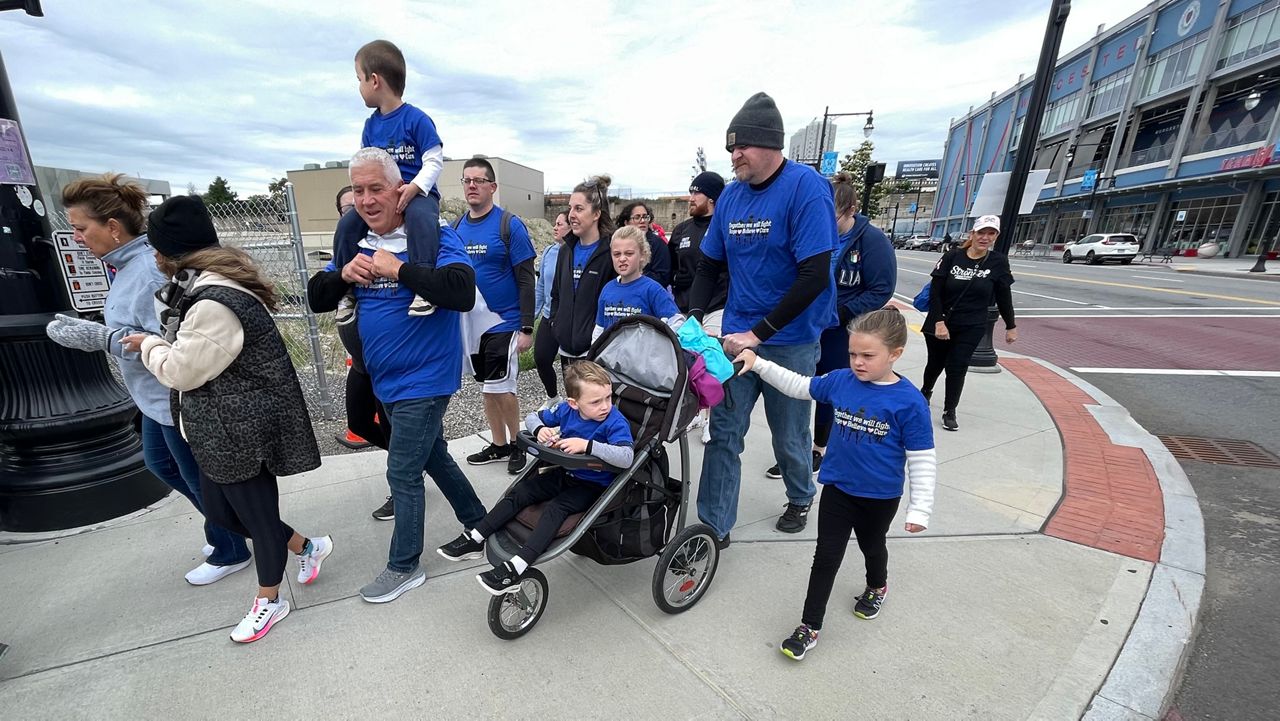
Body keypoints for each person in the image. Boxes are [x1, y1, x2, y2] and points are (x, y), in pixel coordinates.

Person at [121, 196, 332, 644]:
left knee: (256, 518)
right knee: (225, 514)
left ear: (169, 252)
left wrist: (147, 346)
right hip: (218, 427)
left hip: (241, 429)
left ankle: (270, 600)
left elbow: (181, 369)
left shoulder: (214, 300)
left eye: (155, 248)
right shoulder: (196, 287)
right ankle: (308, 547)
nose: (151, 256)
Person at [46, 176, 252, 586]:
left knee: (199, 479)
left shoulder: (145, 269)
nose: (77, 237)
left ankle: (237, 544)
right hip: (155, 399)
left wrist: (103, 338)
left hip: (173, 396)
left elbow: (172, 339)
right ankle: (230, 531)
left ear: (112, 227)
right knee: (164, 466)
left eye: (81, 228)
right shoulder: (129, 266)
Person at [309, 148, 486, 604]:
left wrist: (400, 270)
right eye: (359, 191)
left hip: (426, 379)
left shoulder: (432, 235)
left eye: (376, 189)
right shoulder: (359, 241)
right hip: (384, 378)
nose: (367, 200)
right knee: (434, 457)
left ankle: (404, 565)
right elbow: (317, 296)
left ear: (399, 190)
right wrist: (344, 275)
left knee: (402, 471)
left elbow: (462, 292)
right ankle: (481, 522)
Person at [735, 308, 936, 661]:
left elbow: (922, 458)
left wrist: (920, 507)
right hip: (838, 490)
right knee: (825, 557)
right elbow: (799, 386)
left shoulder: (909, 402)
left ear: (896, 353)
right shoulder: (841, 381)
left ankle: (877, 584)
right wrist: (760, 364)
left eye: (868, 356)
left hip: (880, 497)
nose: (858, 362)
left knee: (872, 547)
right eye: (853, 354)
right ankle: (809, 626)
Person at [687, 91, 836, 540]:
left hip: (790, 339)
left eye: (741, 147)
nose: (734, 155)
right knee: (724, 431)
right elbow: (709, 263)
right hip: (735, 338)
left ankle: (800, 495)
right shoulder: (730, 198)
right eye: (730, 148)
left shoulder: (806, 188)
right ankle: (714, 527)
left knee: (788, 433)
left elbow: (814, 274)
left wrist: (761, 332)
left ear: (771, 144)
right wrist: (694, 316)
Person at [436, 360, 633, 593]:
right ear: (573, 402)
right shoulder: (566, 410)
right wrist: (541, 430)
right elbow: (532, 418)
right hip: (566, 473)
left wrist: (588, 445)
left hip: (593, 485)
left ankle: (518, 565)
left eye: (608, 398)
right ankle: (475, 537)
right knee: (522, 491)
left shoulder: (614, 421)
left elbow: (626, 457)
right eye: (596, 401)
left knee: (556, 509)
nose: (605, 406)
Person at [763, 172, 896, 480]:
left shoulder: (871, 240)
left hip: (842, 329)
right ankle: (791, 453)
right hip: (804, 325)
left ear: (850, 210)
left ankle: (819, 448)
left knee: (828, 386)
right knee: (796, 387)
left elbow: (881, 288)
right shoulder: (810, 231)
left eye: (831, 215)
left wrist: (841, 311)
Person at [332, 39, 446, 325]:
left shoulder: (416, 119)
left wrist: (416, 187)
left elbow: (434, 159)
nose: (358, 87)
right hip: (384, 196)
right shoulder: (370, 125)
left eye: (358, 79)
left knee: (422, 219)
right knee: (347, 224)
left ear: (374, 81)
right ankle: (346, 289)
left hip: (416, 192)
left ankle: (424, 287)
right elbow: (365, 163)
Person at [315, 186, 396, 521]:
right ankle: (415, 459)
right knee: (359, 423)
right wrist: (340, 276)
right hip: (361, 363)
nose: (354, 213)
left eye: (358, 207)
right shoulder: (343, 257)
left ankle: (404, 478)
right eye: (346, 209)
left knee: (393, 428)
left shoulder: (387, 247)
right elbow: (317, 296)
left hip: (388, 364)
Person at [454, 157, 537, 476]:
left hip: (505, 322)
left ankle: (519, 444)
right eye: (466, 180)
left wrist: (527, 327)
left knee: (503, 387)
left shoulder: (509, 224)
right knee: (487, 387)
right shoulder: (459, 226)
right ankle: (500, 444)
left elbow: (527, 278)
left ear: (492, 186)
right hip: (471, 324)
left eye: (478, 180)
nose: (472, 186)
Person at [920, 214, 1018, 431]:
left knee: (957, 366)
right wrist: (939, 321)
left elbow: (1004, 295)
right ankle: (925, 392)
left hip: (972, 324)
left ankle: (950, 409)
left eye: (990, 233)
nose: (985, 237)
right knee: (936, 363)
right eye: (981, 232)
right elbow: (935, 293)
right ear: (972, 234)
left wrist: (1011, 326)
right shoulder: (952, 257)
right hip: (941, 321)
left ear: (996, 236)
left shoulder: (998, 262)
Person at [670, 171, 728, 444]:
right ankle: (696, 412)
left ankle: (711, 421)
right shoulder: (681, 230)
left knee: (711, 365)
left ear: (713, 198)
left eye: (697, 193)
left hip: (716, 307)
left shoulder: (723, 227)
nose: (691, 198)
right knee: (686, 365)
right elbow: (671, 266)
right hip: (685, 308)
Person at [550, 175, 617, 360]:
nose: (571, 214)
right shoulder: (565, 251)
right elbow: (556, 294)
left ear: (596, 214)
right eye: (570, 208)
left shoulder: (611, 252)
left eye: (579, 208)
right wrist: (557, 324)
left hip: (597, 352)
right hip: (565, 348)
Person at [592, 225, 681, 342]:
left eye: (629, 253)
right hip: (609, 358)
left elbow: (678, 322)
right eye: (617, 254)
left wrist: (656, 342)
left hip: (642, 358)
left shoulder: (653, 289)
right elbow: (599, 330)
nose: (622, 259)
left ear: (642, 255)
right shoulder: (607, 289)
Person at [532, 211, 568, 410]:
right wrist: (531, 317)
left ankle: (575, 406)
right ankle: (553, 397)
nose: (555, 227)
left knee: (568, 368)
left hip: (567, 320)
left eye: (560, 224)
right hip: (548, 316)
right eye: (554, 223)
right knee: (542, 358)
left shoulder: (574, 252)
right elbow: (541, 286)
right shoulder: (548, 252)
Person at [615, 201, 671, 287]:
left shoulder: (658, 244)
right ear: (626, 222)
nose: (642, 221)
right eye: (637, 217)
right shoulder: (617, 242)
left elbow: (662, 277)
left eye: (645, 217)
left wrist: (633, 276)